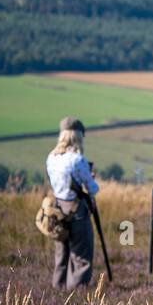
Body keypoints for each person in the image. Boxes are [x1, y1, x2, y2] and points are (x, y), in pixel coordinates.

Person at [45, 116, 98, 290]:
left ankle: (58, 288)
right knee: (81, 255)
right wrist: (91, 178)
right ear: (78, 136)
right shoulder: (77, 160)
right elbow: (92, 188)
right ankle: (76, 292)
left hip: (57, 209)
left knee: (62, 252)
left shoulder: (51, 158)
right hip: (77, 210)